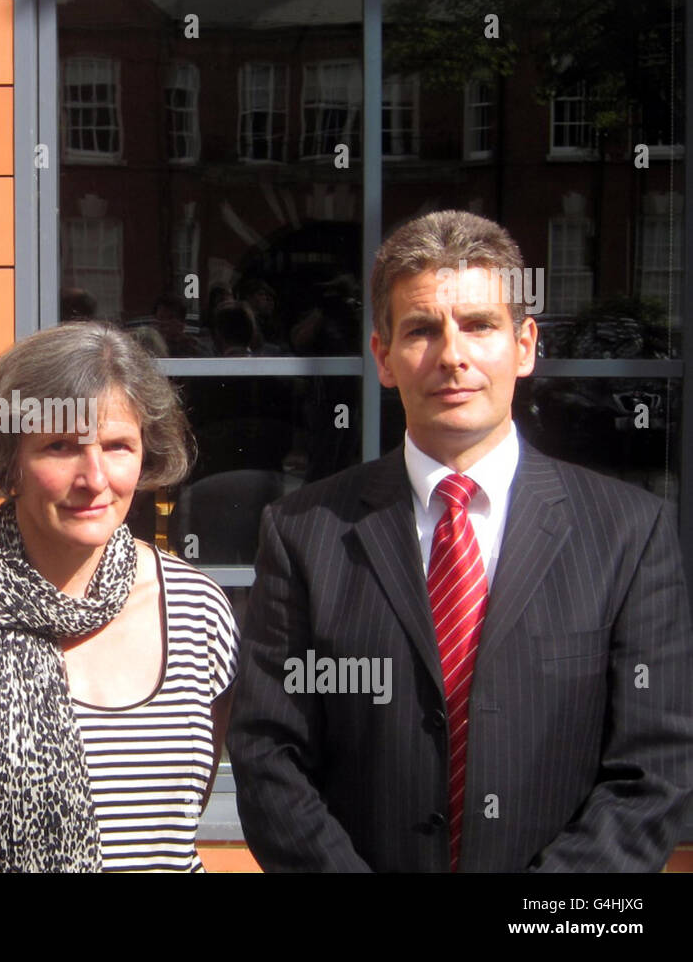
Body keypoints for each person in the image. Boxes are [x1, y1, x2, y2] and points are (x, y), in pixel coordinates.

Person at [228, 210, 693, 872]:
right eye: (421, 330)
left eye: (479, 326)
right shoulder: (305, 532)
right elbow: (269, 755)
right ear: (384, 357)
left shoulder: (629, 533)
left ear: (525, 345)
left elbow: (655, 767)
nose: (453, 356)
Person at [0, 322, 238, 871]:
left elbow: (178, 823)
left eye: (116, 446)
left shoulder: (198, 610)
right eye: (60, 447)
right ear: (10, 459)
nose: (94, 478)